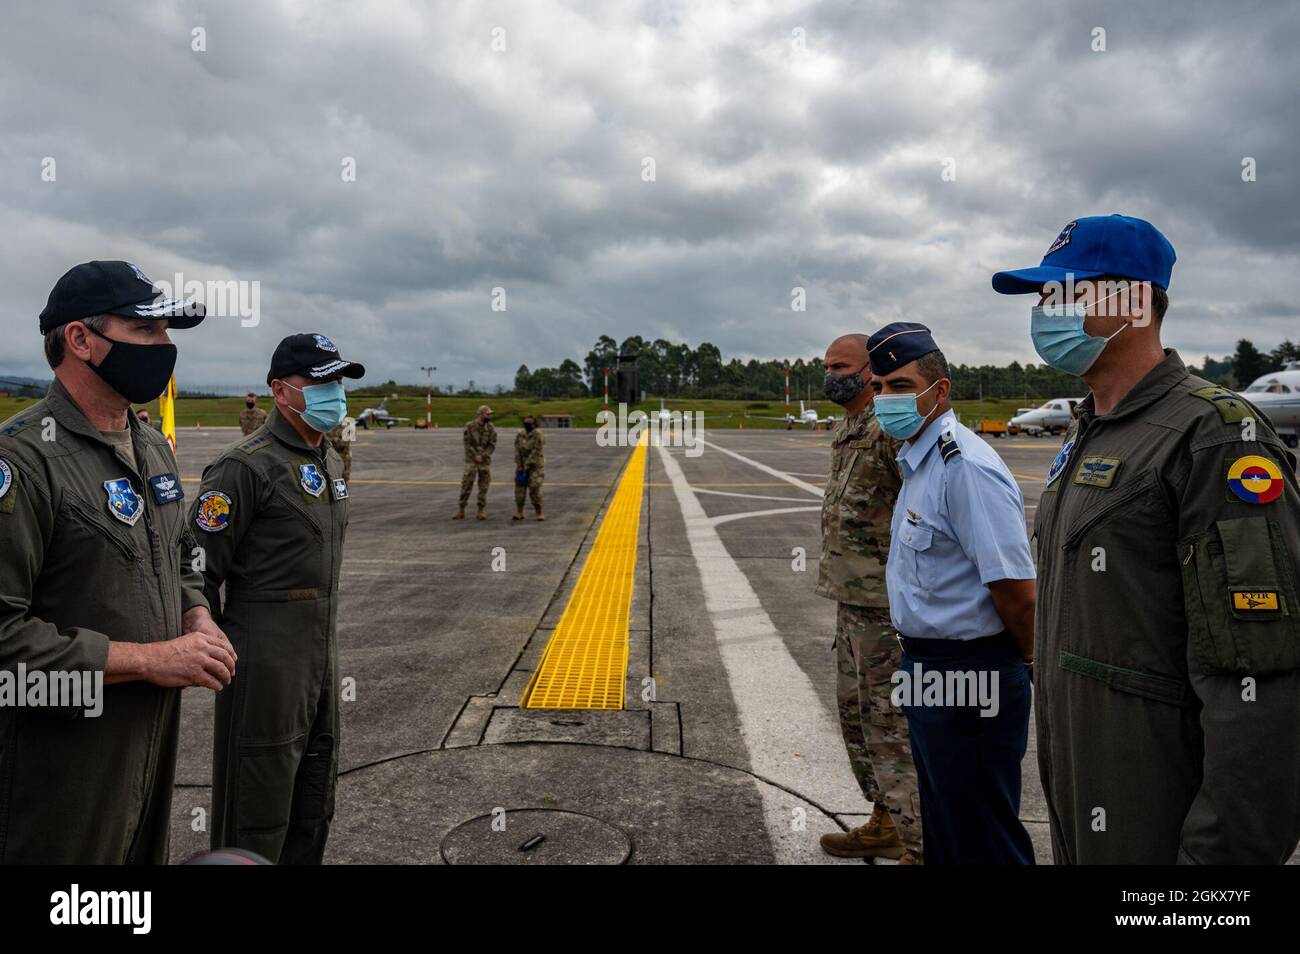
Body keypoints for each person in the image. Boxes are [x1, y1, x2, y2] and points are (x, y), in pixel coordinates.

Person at [992, 214, 1300, 864]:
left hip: (1162, 824)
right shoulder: (1092, 432)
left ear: (1132, 300)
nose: (1045, 313)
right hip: (1086, 797)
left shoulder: (1213, 437)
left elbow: (1263, 687)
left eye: (1062, 292)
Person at [0, 260, 236, 863]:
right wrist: (152, 660)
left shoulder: (151, 445)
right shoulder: (23, 462)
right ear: (81, 339)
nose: (165, 349)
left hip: (150, 746)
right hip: (62, 768)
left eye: (166, 334)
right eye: (147, 333)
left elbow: (177, 558)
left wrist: (196, 614)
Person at [868, 321, 1037, 864]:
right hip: (927, 667)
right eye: (878, 387)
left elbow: (1015, 588)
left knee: (981, 833)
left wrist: (1022, 665)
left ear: (939, 391)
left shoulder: (964, 468)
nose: (884, 398)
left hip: (971, 671)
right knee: (944, 823)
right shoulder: (919, 460)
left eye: (898, 386)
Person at [191, 332, 363, 864]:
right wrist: (209, 635)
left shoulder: (327, 461)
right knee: (256, 806)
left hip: (319, 658)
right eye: (320, 381)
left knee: (313, 797)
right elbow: (194, 567)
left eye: (338, 381)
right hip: (264, 664)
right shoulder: (244, 467)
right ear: (280, 390)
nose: (333, 391)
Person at [814, 333, 922, 862]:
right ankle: (886, 819)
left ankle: (919, 842)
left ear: (869, 370)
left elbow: (923, 509)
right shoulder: (849, 426)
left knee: (890, 726)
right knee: (857, 719)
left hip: (886, 610)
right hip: (851, 602)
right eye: (827, 364)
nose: (831, 372)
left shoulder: (889, 428)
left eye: (841, 364)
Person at [456, 404, 496, 520]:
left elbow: (492, 445)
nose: (489, 416)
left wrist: (483, 455)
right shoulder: (470, 426)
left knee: (483, 487)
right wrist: (475, 455)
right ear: (481, 414)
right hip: (471, 461)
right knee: (466, 485)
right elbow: (467, 443)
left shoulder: (491, 428)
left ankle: (481, 511)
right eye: (488, 414)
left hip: (484, 461)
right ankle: (461, 510)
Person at [513, 415, 545, 521]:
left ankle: (539, 511)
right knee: (519, 489)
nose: (527, 425)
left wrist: (526, 466)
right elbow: (517, 449)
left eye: (529, 423)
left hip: (535, 465)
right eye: (525, 423)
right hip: (521, 465)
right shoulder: (520, 434)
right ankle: (519, 511)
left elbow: (536, 451)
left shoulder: (538, 435)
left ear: (534, 424)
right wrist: (519, 464)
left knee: (534, 488)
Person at [327, 416, 355, 482]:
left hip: (343, 459)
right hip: (329, 459)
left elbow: (344, 443)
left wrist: (331, 440)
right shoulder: (328, 423)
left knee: (343, 483)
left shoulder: (349, 424)